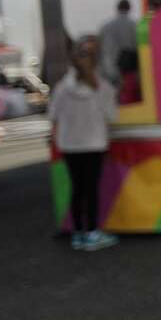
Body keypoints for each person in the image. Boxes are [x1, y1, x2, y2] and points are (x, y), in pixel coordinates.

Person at [49, 35, 119, 251]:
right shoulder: (102, 88)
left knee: (77, 190)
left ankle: (78, 234)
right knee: (91, 190)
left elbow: (53, 115)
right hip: (94, 144)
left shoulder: (61, 87)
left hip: (69, 145)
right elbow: (112, 116)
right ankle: (92, 233)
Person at [98, 0, 138, 87]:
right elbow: (137, 47)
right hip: (129, 72)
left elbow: (100, 50)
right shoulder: (134, 25)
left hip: (108, 69)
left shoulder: (105, 27)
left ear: (117, 8)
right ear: (129, 8)